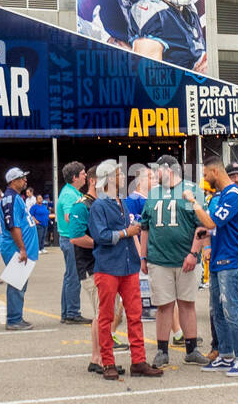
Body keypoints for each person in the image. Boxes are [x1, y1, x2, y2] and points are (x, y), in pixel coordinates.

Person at [88, 160, 163, 381]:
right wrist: (126, 233)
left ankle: (138, 361)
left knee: (134, 315)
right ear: (109, 178)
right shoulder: (99, 205)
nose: (123, 176)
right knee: (107, 316)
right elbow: (100, 236)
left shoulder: (123, 202)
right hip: (108, 267)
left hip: (127, 266)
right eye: (119, 173)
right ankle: (108, 361)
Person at [143, 155, 211, 367]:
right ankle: (162, 350)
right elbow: (145, 226)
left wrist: (193, 253)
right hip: (159, 259)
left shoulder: (191, 190)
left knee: (187, 303)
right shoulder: (153, 193)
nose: (155, 175)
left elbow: (201, 226)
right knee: (164, 305)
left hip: (185, 258)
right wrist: (143, 256)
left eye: (158, 170)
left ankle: (191, 348)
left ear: (169, 170)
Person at [189, 158, 238, 376]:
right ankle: (225, 354)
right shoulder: (223, 195)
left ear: (215, 171)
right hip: (219, 257)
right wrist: (206, 234)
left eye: (206, 175)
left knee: (230, 309)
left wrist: (194, 203)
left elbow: (212, 222)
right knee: (217, 310)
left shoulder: (233, 195)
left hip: (232, 258)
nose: (205, 180)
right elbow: (218, 226)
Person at [69, 167, 128, 373]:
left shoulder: (106, 204)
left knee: (105, 312)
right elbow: (75, 237)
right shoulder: (82, 205)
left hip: (107, 265)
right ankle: (99, 358)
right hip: (90, 266)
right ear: (95, 181)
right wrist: (103, 242)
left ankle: (98, 357)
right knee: (102, 313)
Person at [0, 166, 40, 330]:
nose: (25, 181)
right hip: (15, 247)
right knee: (17, 283)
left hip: (19, 247)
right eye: (22, 178)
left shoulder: (15, 198)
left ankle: (16, 317)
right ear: (13, 181)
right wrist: (22, 249)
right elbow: (13, 226)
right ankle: (14, 319)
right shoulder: (12, 199)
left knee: (19, 282)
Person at [56, 161, 91, 323]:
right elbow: (69, 217)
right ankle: (72, 313)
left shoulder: (70, 192)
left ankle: (68, 312)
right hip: (71, 240)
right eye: (83, 173)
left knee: (70, 276)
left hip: (67, 239)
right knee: (74, 276)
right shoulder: (70, 195)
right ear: (75, 177)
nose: (86, 176)